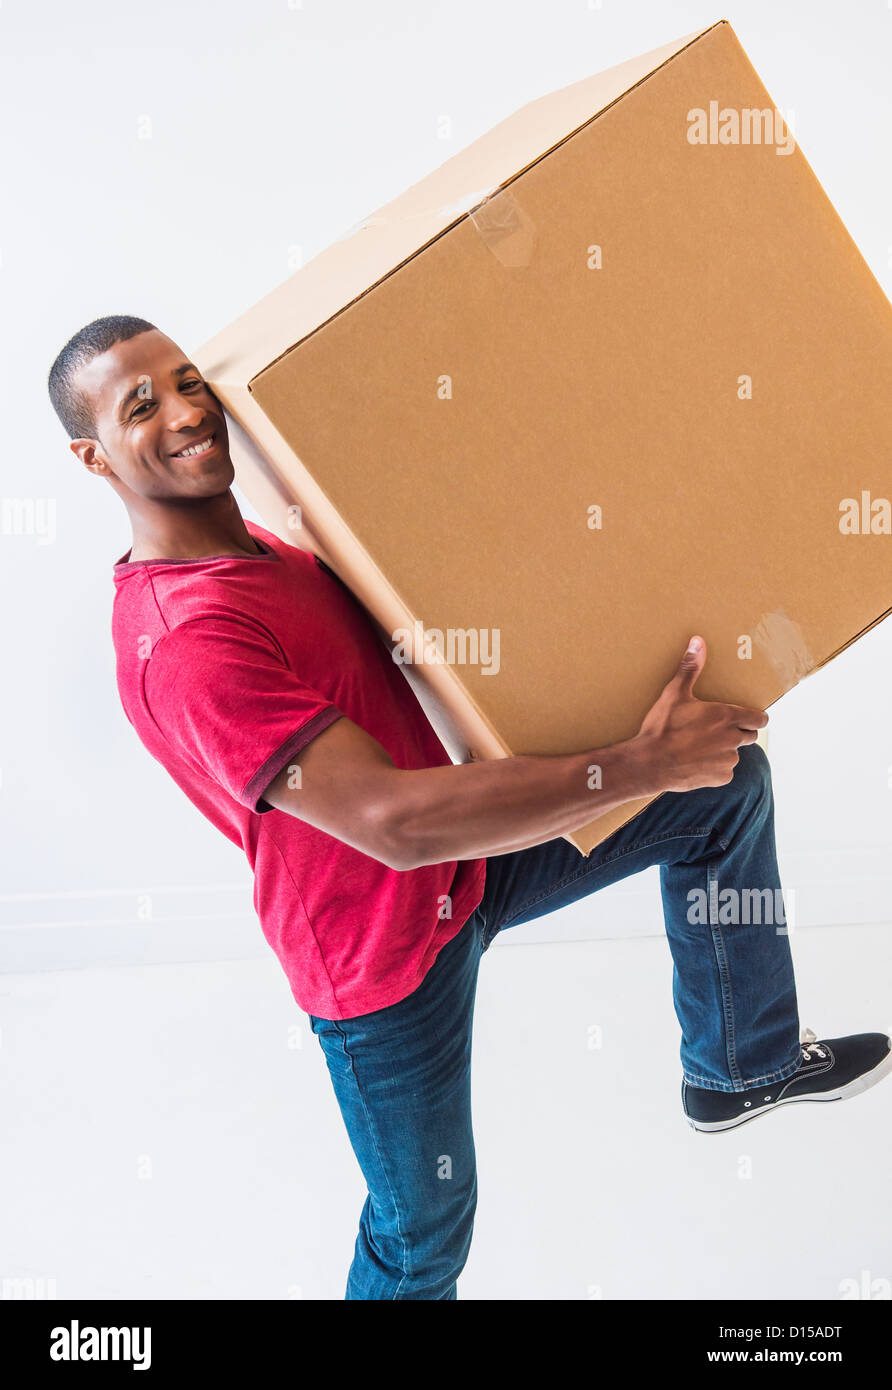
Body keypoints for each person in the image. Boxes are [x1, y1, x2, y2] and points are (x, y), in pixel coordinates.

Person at [48, 314, 892, 1300]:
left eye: (190, 381)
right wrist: (636, 761)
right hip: (377, 957)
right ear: (90, 454)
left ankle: (738, 1065)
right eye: (141, 405)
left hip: (469, 867)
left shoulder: (269, 550)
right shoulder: (187, 644)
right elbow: (392, 825)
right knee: (421, 1240)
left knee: (721, 790)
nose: (189, 412)